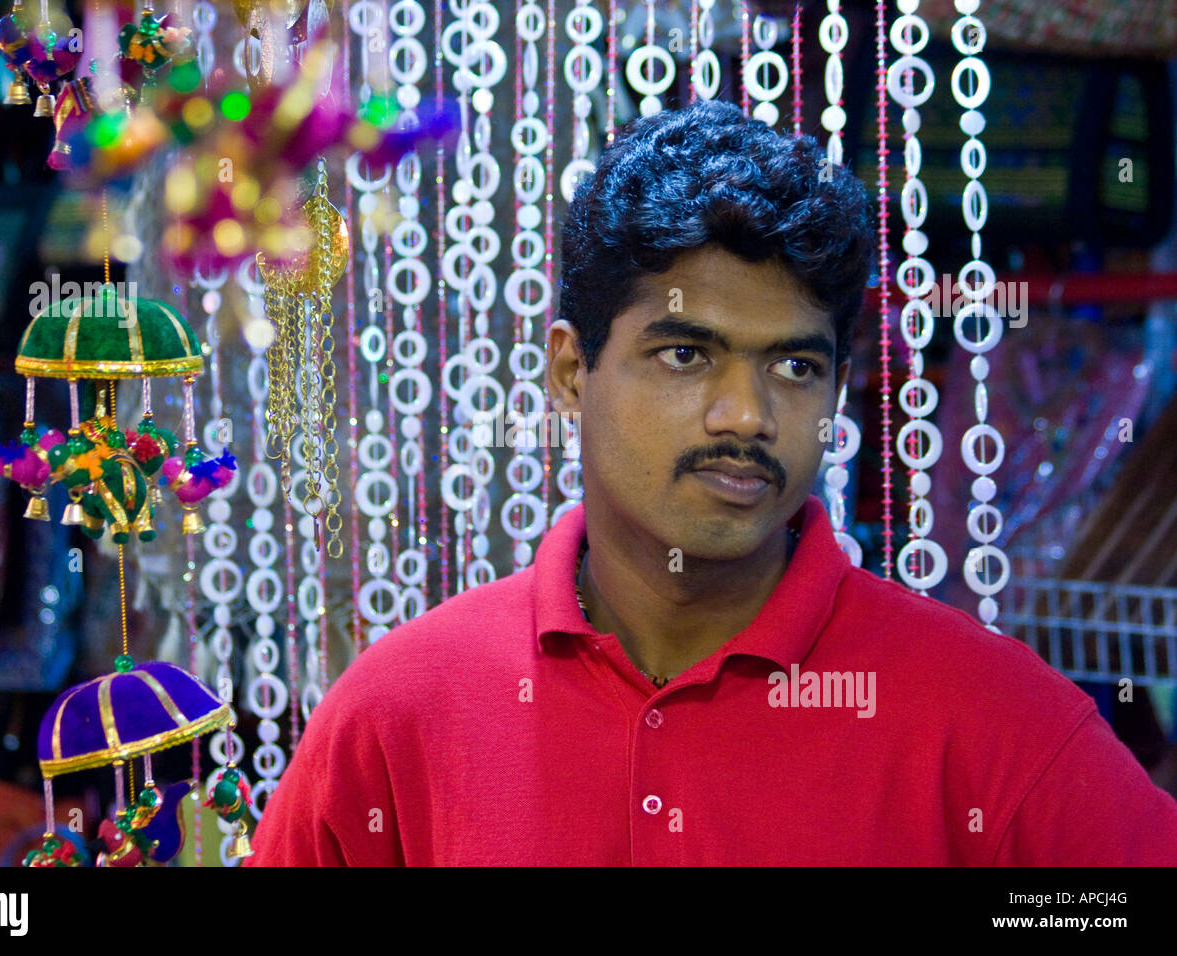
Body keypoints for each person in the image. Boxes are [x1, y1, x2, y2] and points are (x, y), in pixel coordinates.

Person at [247, 100, 1177, 865]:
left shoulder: (989, 716)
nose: (749, 416)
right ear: (573, 374)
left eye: (796, 367)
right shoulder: (402, 710)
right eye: (688, 353)